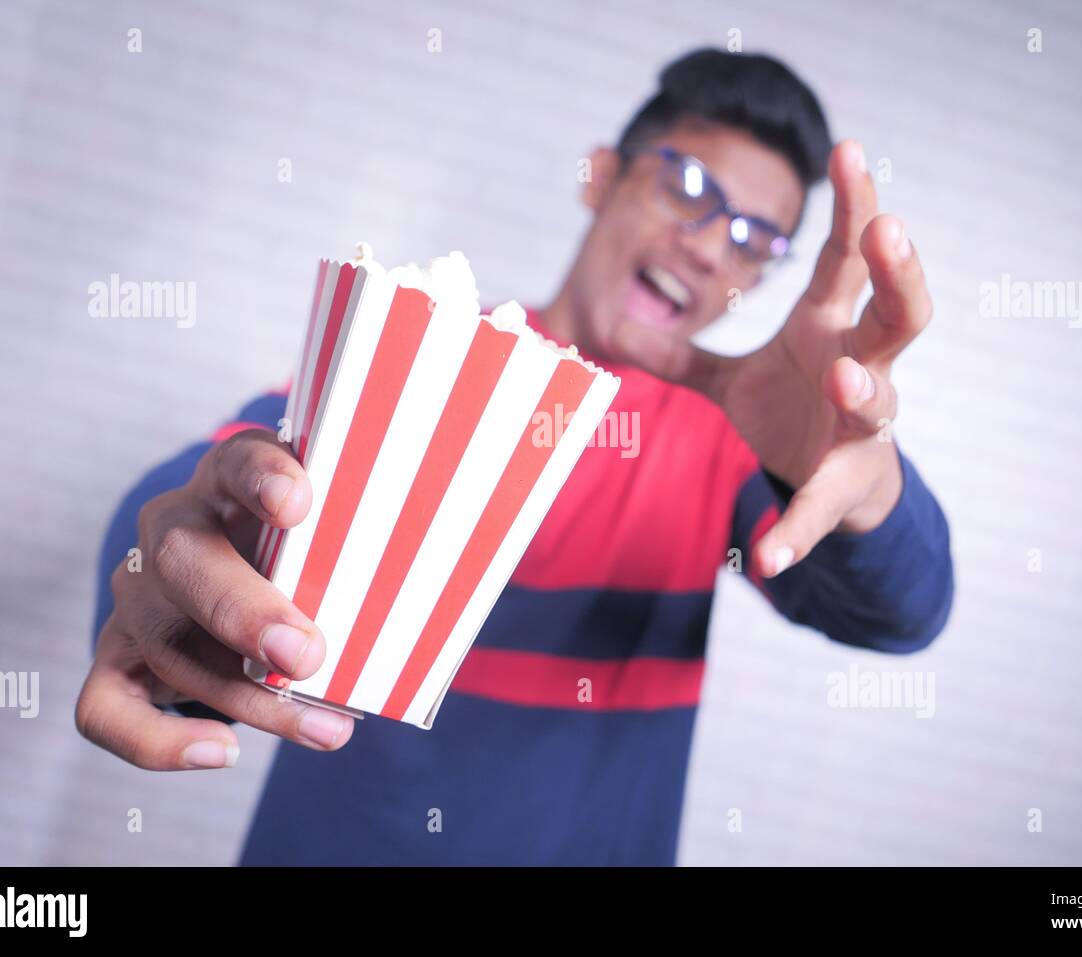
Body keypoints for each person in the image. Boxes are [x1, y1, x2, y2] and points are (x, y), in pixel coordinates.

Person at [77, 48, 954, 865]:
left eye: (755, 240)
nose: (708, 244)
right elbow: (199, 497)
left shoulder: (733, 448)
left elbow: (900, 613)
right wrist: (172, 566)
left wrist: (864, 475)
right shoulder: (419, 357)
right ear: (603, 177)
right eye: (688, 185)